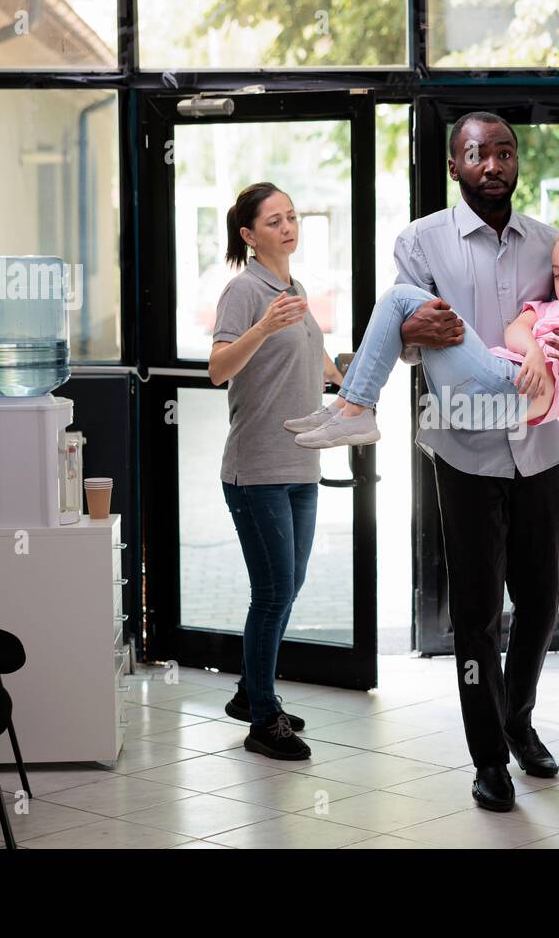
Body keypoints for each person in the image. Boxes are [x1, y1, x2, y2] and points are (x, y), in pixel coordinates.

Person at [304, 111, 559, 810]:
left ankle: (519, 720)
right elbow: (410, 340)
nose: (493, 164)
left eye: (504, 152)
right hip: (464, 448)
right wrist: (412, 331)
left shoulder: (548, 242)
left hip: (537, 446)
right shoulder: (421, 240)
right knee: (476, 616)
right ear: (455, 165)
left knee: (540, 601)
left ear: (516, 162)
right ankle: (488, 760)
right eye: (478, 154)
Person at [290, 219, 559, 507]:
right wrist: (535, 352)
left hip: (517, 391)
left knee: (400, 297)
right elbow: (515, 332)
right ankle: (347, 406)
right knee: (410, 308)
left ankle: (353, 408)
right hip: (478, 403)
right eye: (556, 273)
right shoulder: (551, 307)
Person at [208, 182, 344, 761]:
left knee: (288, 588)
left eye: (292, 217)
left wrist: (349, 375)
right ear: (248, 234)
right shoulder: (244, 290)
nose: (287, 228)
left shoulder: (296, 287)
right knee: (273, 593)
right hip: (255, 469)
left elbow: (313, 364)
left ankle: (251, 692)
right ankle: (262, 721)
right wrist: (262, 326)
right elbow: (218, 369)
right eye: (273, 221)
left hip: (300, 463)